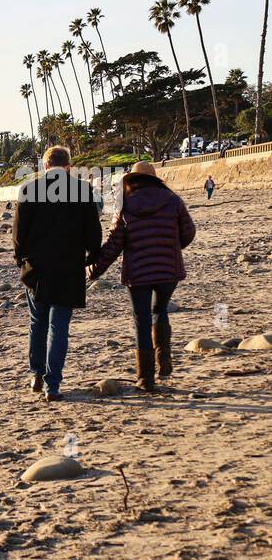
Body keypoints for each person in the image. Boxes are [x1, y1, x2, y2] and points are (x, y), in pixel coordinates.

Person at [88, 161, 195, 392]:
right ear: (155, 180)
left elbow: (113, 244)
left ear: (132, 181)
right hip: (168, 271)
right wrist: (171, 248)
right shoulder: (173, 201)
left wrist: (93, 270)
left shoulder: (125, 206)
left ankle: (146, 378)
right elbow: (189, 232)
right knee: (161, 311)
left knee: (142, 320)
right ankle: (164, 360)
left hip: (138, 273)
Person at [13, 145, 103, 402]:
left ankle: (36, 375)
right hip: (69, 268)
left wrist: (21, 261)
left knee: (37, 323)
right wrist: (92, 258)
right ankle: (53, 386)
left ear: (44, 166)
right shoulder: (82, 190)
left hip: (36, 270)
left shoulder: (29, 190)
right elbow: (92, 232)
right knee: (59, 327)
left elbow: (18, 234)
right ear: (68, 167)